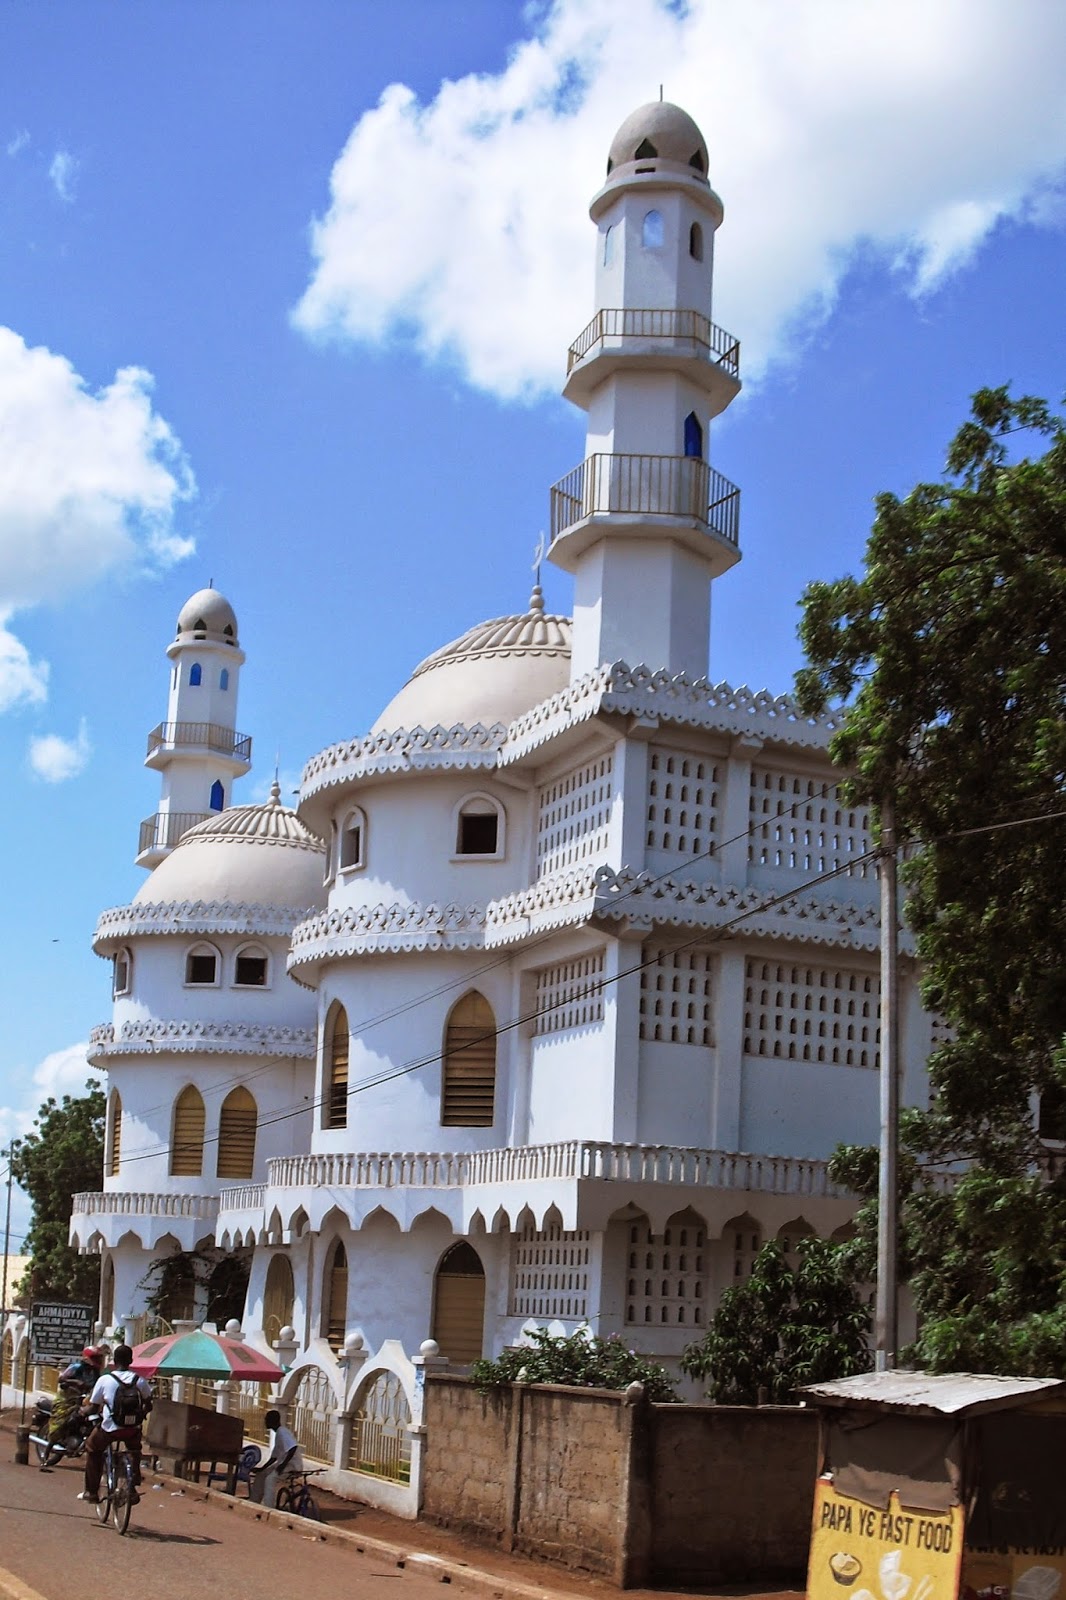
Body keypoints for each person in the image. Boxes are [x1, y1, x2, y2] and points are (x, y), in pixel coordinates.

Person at [78, 1343, 153, 1505]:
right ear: (131, 1360)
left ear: (114, 1360)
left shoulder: (105, 1380)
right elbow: (149, 1404)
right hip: (131, 1429)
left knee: (92, 1447)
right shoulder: (139, 1381)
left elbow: (93, 1407)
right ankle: (132, 1486)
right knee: (134, 1450)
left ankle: (91, 1492)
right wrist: (139, 1417)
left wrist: (82, 1412)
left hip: (110, 1429)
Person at [40, 1346, 102, 1470]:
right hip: (66, 1399)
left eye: (98, 1357)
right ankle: (46, 1454)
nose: (97, 1360)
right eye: (95, 1357)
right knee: (65, 1421)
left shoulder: (96, 1372)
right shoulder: (76, 1367)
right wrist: (75, 1382)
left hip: (84, 1400)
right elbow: (61, 1380)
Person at [248, 1410, 303, 1507]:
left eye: (266, 1420)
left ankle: (269, 1506)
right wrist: (262, 1468)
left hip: (292, 1465)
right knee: (261, 1475)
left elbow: (293, 1448)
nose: (265, 1422)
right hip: (283, 1464)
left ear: (272, 1421)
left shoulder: (282, 1432)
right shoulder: (278, 1434)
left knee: (270, 1479)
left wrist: (283, 1465)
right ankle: (254, 1502)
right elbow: (274, 1457)